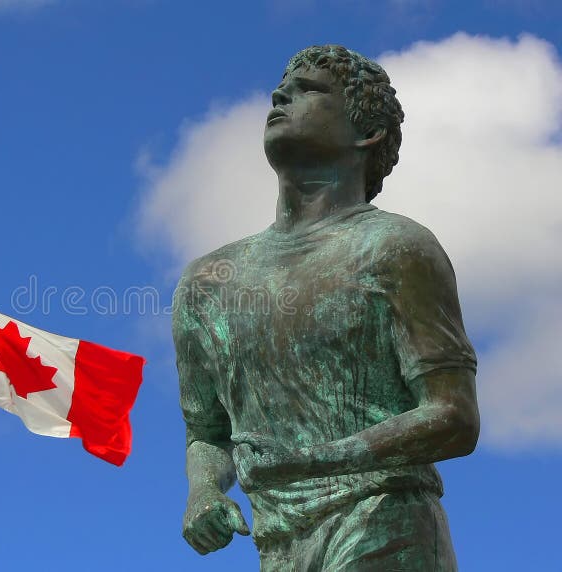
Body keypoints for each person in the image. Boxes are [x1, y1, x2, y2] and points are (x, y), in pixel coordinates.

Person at [172, 45, 479, 571]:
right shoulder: (207, 284)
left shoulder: (397, 249)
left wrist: (318, 460)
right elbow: (207, 435)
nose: (280, 95)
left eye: (309, 90)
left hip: (385, 524)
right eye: (281, 88)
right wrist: (203, 493)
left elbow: (454, 416)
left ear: (368, 133)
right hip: (278, 546)